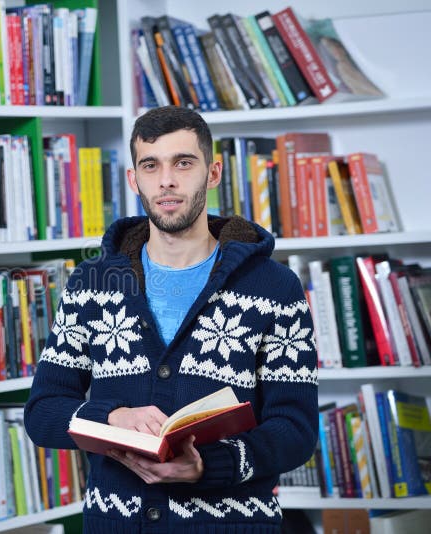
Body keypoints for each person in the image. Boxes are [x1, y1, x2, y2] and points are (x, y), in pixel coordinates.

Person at [24, 106, 319, 533]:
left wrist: (207, 467)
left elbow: (295, 430)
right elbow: (43, 412)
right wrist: (112, 416)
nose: (166, 180)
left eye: (183, 163)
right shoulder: (93, 283)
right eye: (151, 165)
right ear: (134, 180)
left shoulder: (274, 288)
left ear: (213, 173)